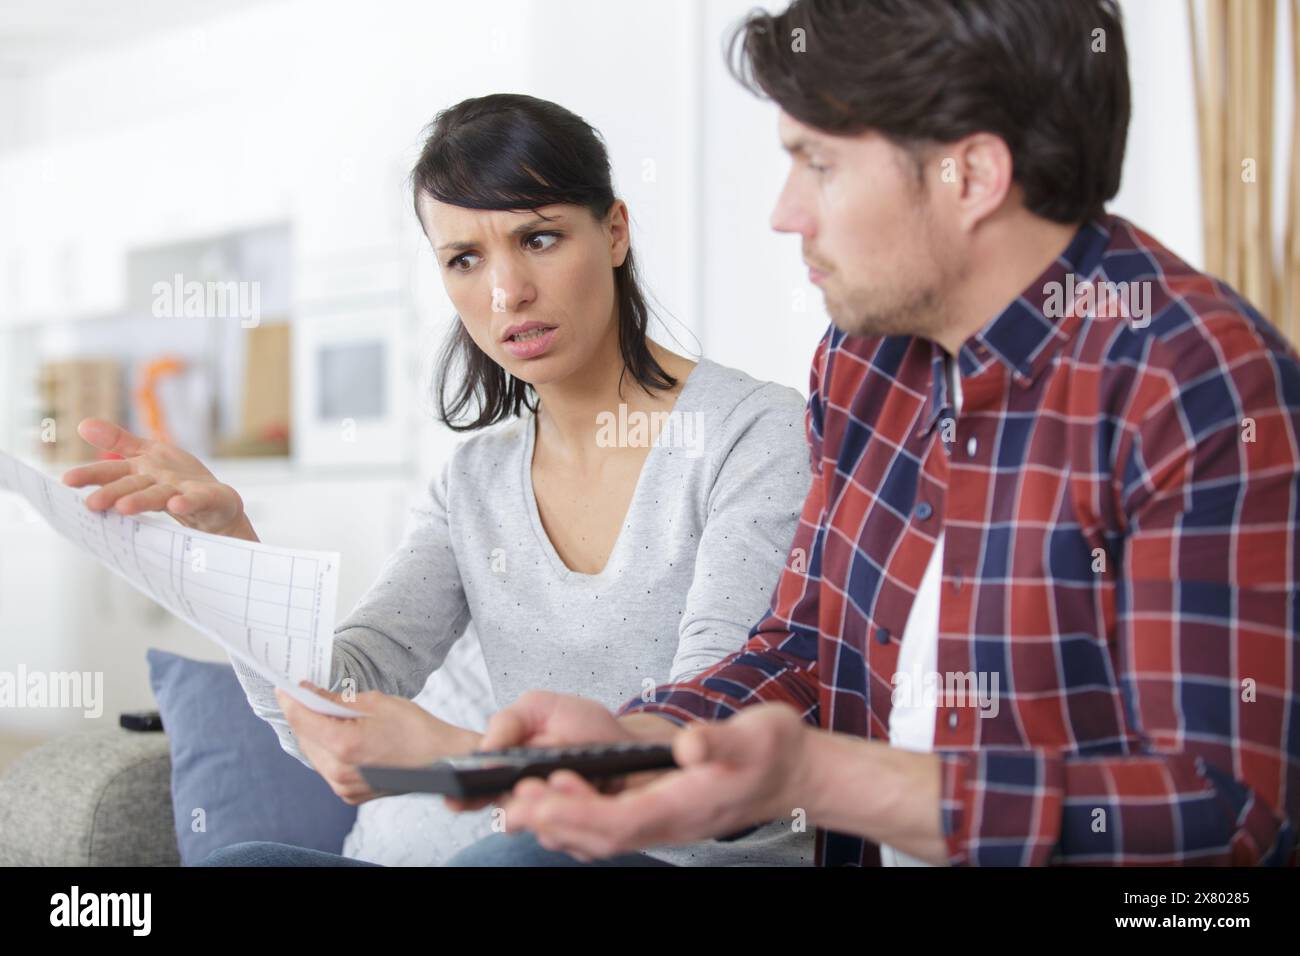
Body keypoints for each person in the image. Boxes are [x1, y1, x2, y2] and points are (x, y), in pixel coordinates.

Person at [442, 0, 1300, 867]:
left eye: (817, 164)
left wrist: (829, 778)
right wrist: (643, 746)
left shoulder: (1196, 386)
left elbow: (1219, 812)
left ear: (971, 175)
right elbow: (803, 648)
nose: (786, 212)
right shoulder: (865, 362)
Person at [63, 93, 815, 866]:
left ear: (614, 231)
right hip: (530, 848)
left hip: (683, 856)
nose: (506, 291)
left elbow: (707, 734)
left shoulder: (751, 434)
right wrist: (231, 548)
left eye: (541, 237)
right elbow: (334, 709)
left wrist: (453, 756)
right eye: (465, 259)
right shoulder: (474, 482)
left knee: (514, 856)